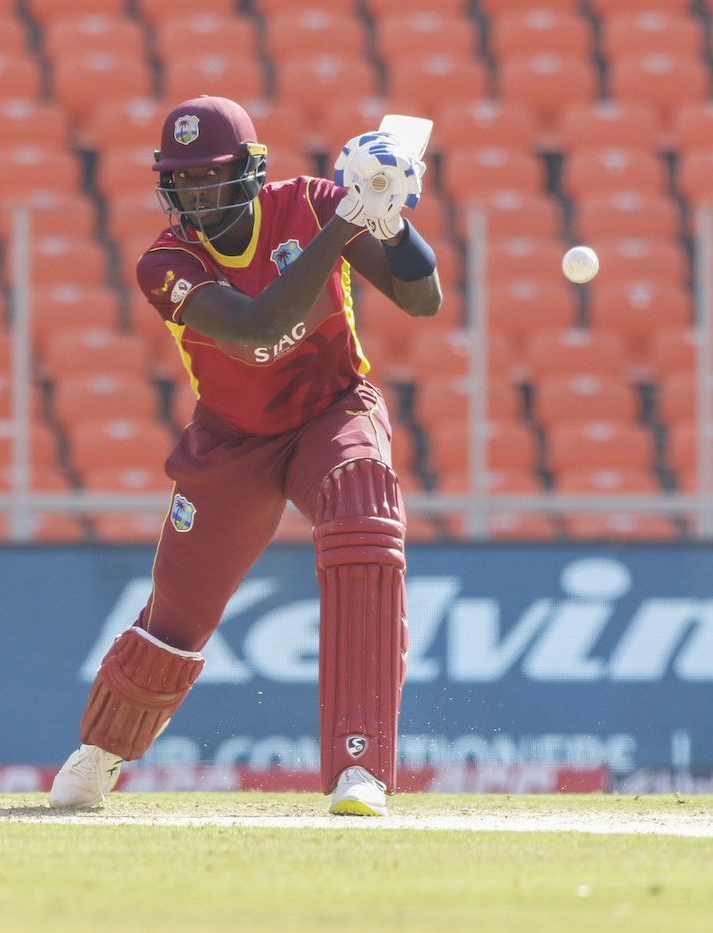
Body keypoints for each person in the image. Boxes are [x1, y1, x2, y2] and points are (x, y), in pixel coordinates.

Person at [48, 96, 441, 816]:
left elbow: (423, 300)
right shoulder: (165, 261)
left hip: (331, 408)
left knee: (364, 515)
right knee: (178, 615)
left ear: (251, 172)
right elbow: (256, 324)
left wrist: (393, 220)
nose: (198, 196)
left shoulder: (317, 204)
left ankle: (361, 765)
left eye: (211, 178)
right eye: (184, 182)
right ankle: (102, 750)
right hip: (233, 438)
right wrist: (348, 224)